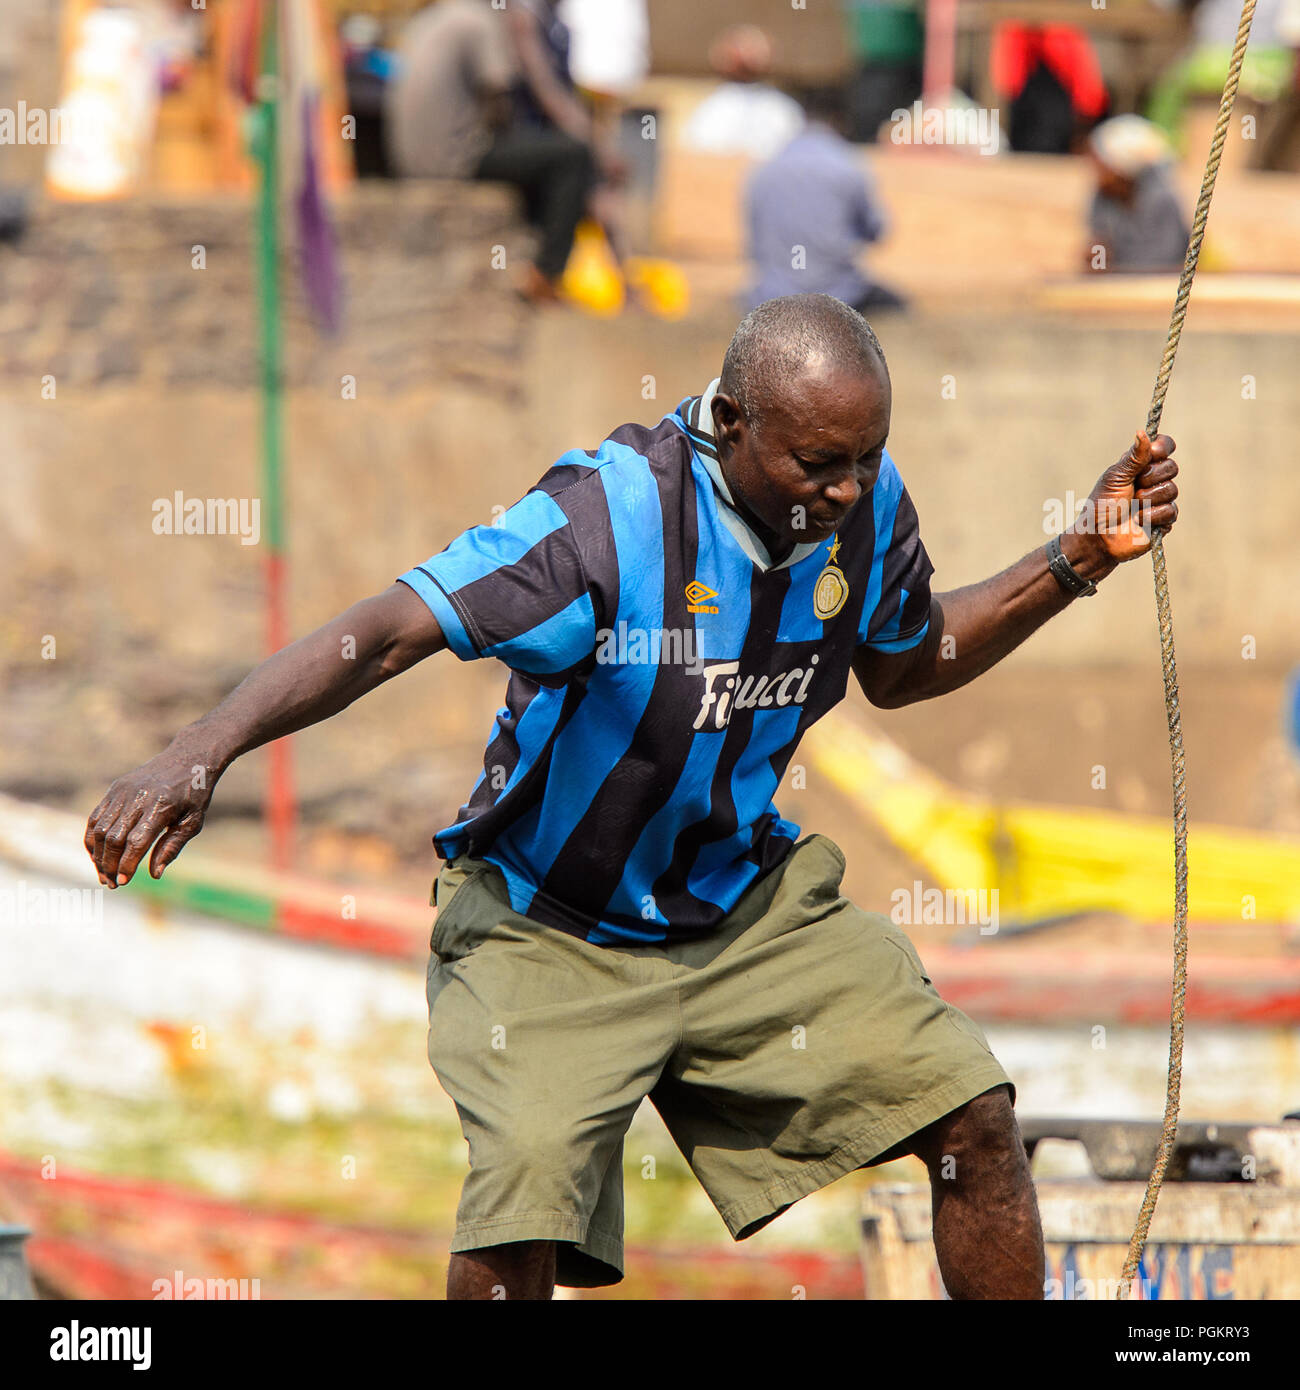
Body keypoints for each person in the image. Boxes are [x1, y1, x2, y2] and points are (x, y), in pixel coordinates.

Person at [85, 294, 1181, 1300]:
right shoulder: (604, 521)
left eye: (865, 457)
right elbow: (386, 632)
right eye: (817, 462)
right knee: (521, 1200)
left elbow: (907, 658)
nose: (846, 488)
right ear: (734, 420)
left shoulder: (859, 505)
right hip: (548, 924)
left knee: (973, 1117)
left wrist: (1076, 553)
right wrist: (198, 750)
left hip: (738, 907)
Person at [385, 0, 597, 302]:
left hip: (412, 158)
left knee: (540, 154)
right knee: (572, 155)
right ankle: (545, 275)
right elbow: (499, 96)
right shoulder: (480, 23)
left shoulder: (433, 18)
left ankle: (530, 262)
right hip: (454, 159)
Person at [745, 87, 905, 313]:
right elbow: (877, 231)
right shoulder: (848, 166)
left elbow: (754, 242)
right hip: (840, 293)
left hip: (772, 293)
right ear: (839, 120)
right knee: (899, 307)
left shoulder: (764, 168)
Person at [680, 24, 806, 160]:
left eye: (755, 48)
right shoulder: (713, 109)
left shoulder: (783, 110)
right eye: (743, 47)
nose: (749, 55)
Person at [1086, 115, 1191, 273]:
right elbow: (1099, 248)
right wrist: (1097, 259)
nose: (1098, 174)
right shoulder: (1103, 199)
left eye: (1103, 166)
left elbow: (1166, 259)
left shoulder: (1161, 200)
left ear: (1121, 168)